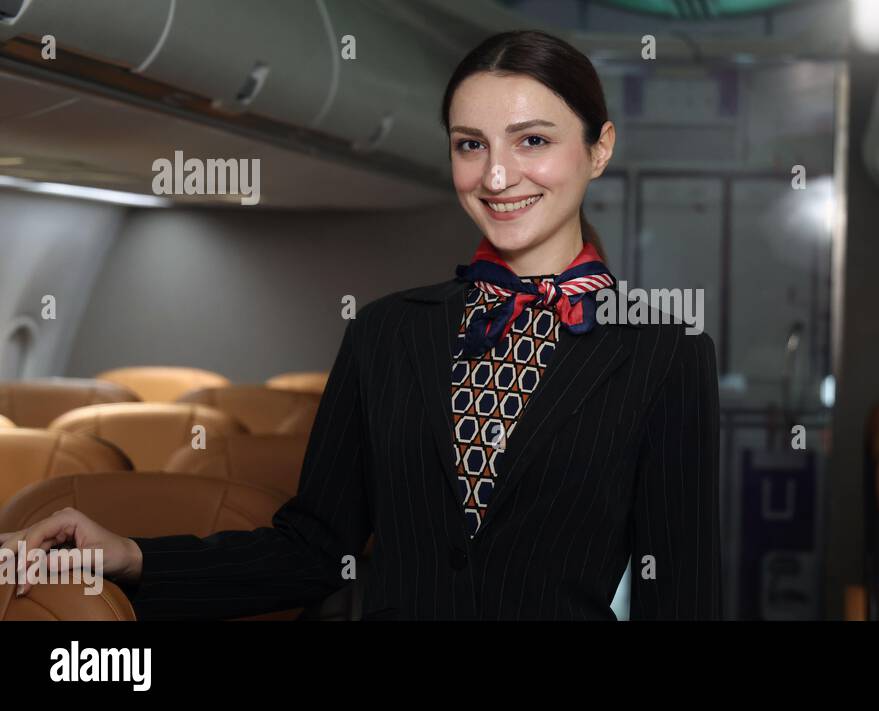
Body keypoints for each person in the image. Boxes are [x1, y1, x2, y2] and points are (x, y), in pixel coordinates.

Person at [0, 29, 721, 621]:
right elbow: (313, 549)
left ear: (599, 149)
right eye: (471, 144)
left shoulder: (663, 351)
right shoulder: (387, 333)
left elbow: (681, 591)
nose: (497, 176)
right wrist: (132, 553)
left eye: (532, 141)